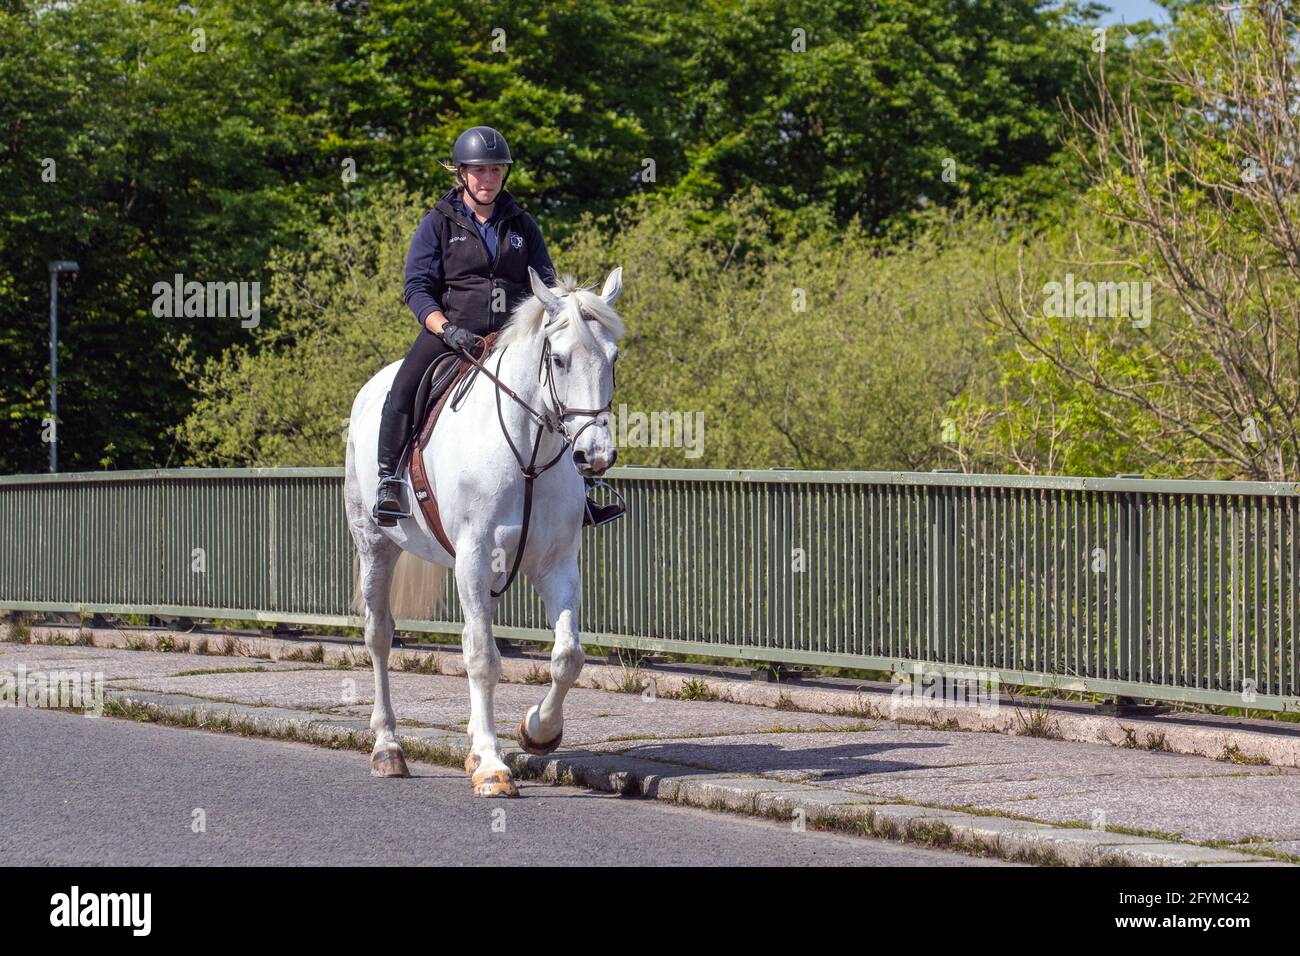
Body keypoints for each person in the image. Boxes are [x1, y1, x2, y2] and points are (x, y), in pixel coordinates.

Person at [373, 125, 625, 529]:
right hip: (454, 333)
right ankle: (388, 481)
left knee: (562, 387)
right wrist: (444, 328)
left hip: (516, 335)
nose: (487, 180)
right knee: (404, 386)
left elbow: (548, 283)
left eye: (495, 171)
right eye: (479, 171)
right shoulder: (438, 222)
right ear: (461, 173)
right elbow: (416, 287)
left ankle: (581, 491)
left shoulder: (521, 223)